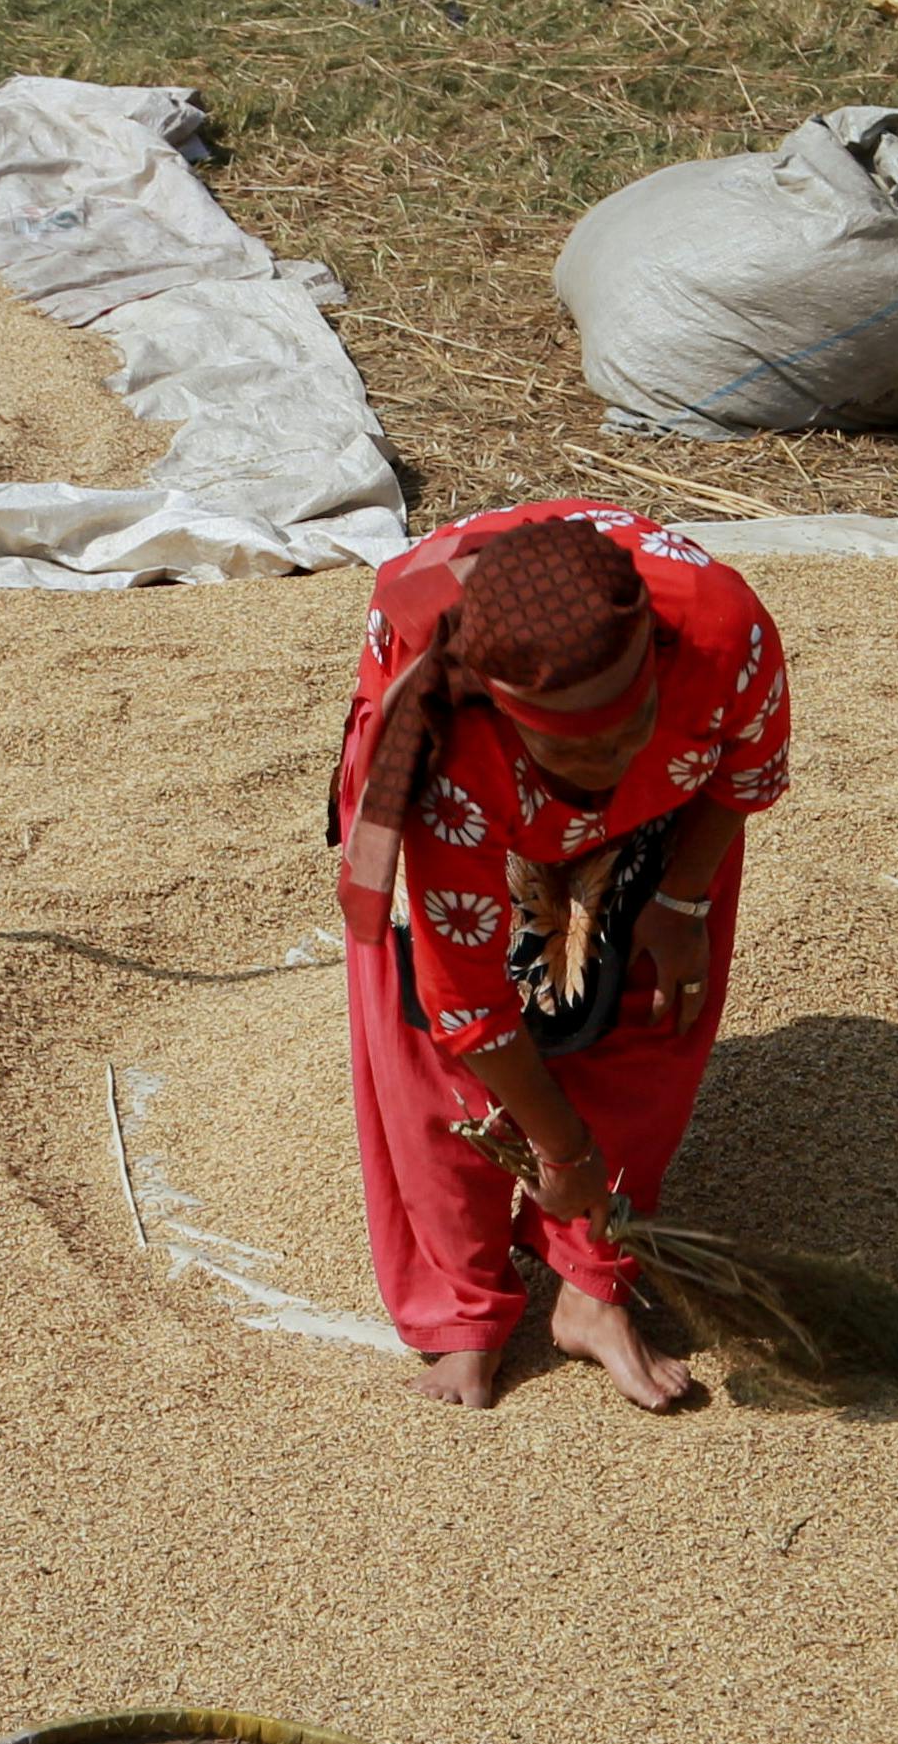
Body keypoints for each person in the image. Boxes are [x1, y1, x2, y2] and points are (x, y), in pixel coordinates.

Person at [331, 503, 790, 1411]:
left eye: (632, 731)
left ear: (659, 665)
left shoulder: (720, 633)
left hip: (674, 798)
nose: (612, 768)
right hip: (483, 790)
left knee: (659, 1007)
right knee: (432, 1062)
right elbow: (461, 1006)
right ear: (510, 719)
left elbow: (744, 768)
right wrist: (560, 1142)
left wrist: (679, 898)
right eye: (579, 749)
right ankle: (462, 1309)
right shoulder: (446, 750)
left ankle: (593, 1283)